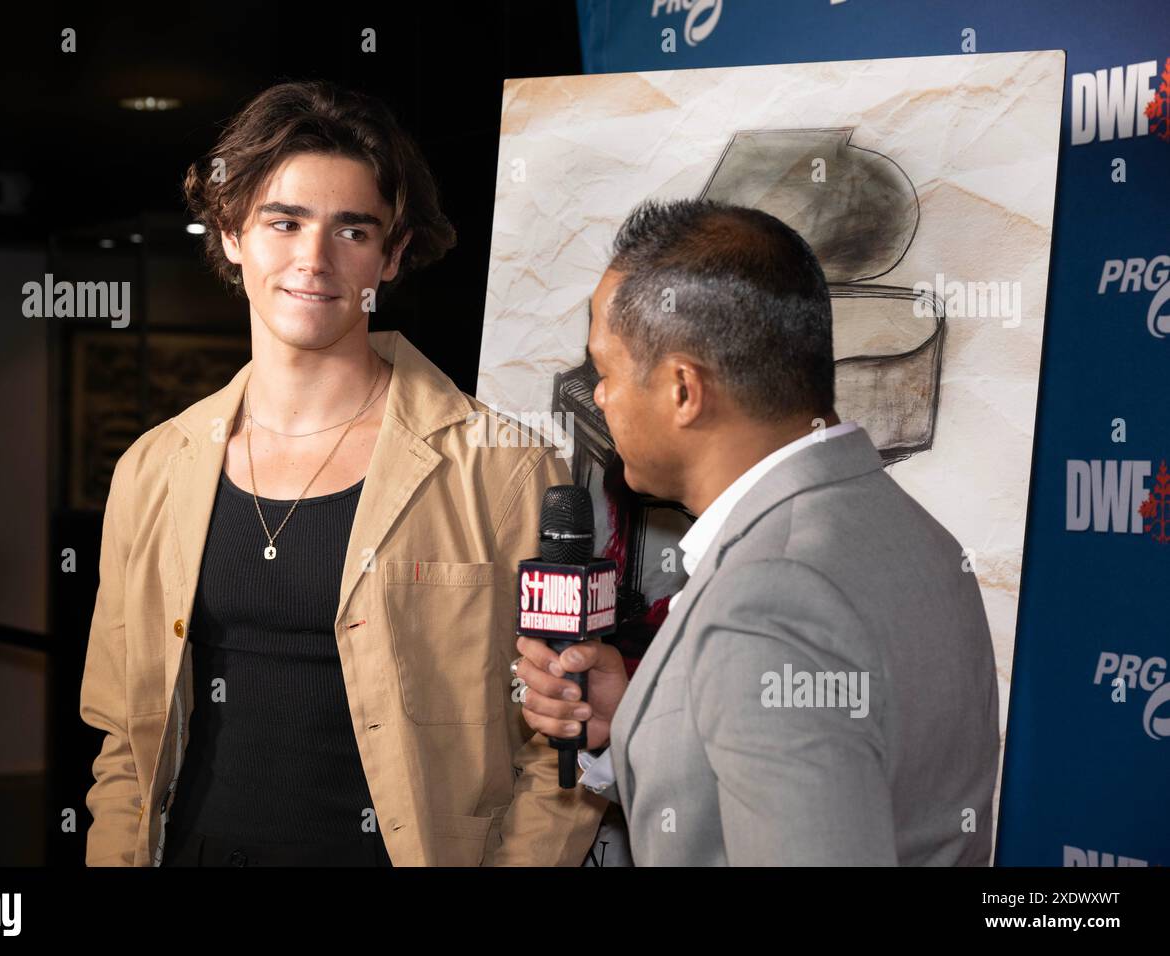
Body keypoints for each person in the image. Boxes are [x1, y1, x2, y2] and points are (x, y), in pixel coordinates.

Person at [79, 79, 607, 867]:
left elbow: (563, 747)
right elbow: (124, 737)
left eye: (352, 231)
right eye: (282, 222)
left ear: (393, 254)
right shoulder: (154, 468)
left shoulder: (503, 466)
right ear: (232, 233)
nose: (313, 260)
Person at [513, 198, 1000, 865]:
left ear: (684, 390)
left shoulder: (772, 596)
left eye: (606, 373)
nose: (598, 397)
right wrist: (630, 724)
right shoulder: (907, 528)